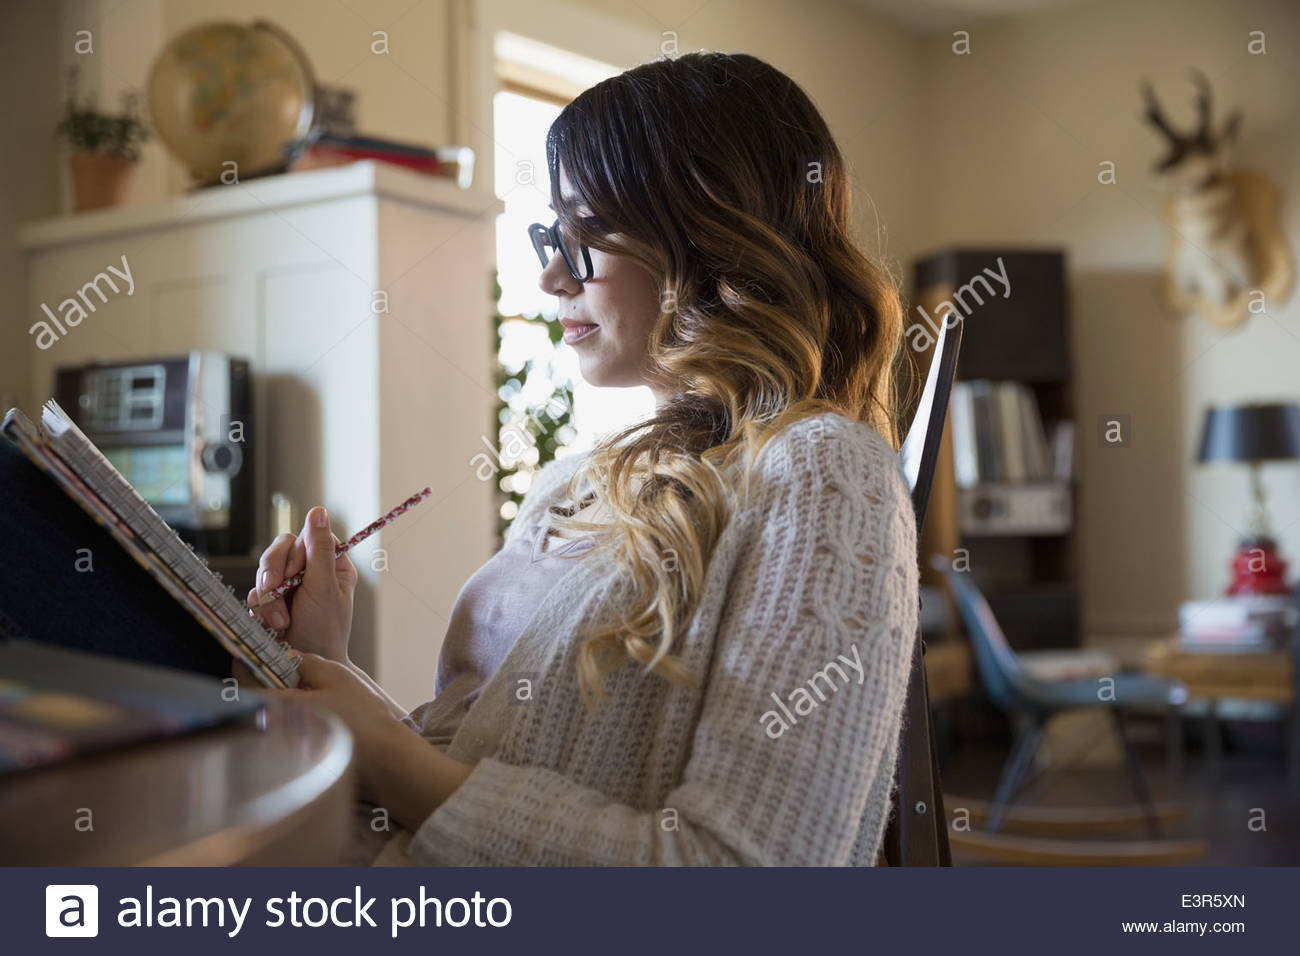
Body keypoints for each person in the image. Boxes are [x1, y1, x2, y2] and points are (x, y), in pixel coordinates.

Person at [236, 51, 921, 866]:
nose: (553, 275)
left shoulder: (822, 473)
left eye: (587, 236)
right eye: (551, 237)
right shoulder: (575, 480)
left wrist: (380, 748)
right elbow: (477, 766)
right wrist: (331, 664)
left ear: (710, 240)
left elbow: (745, 873)